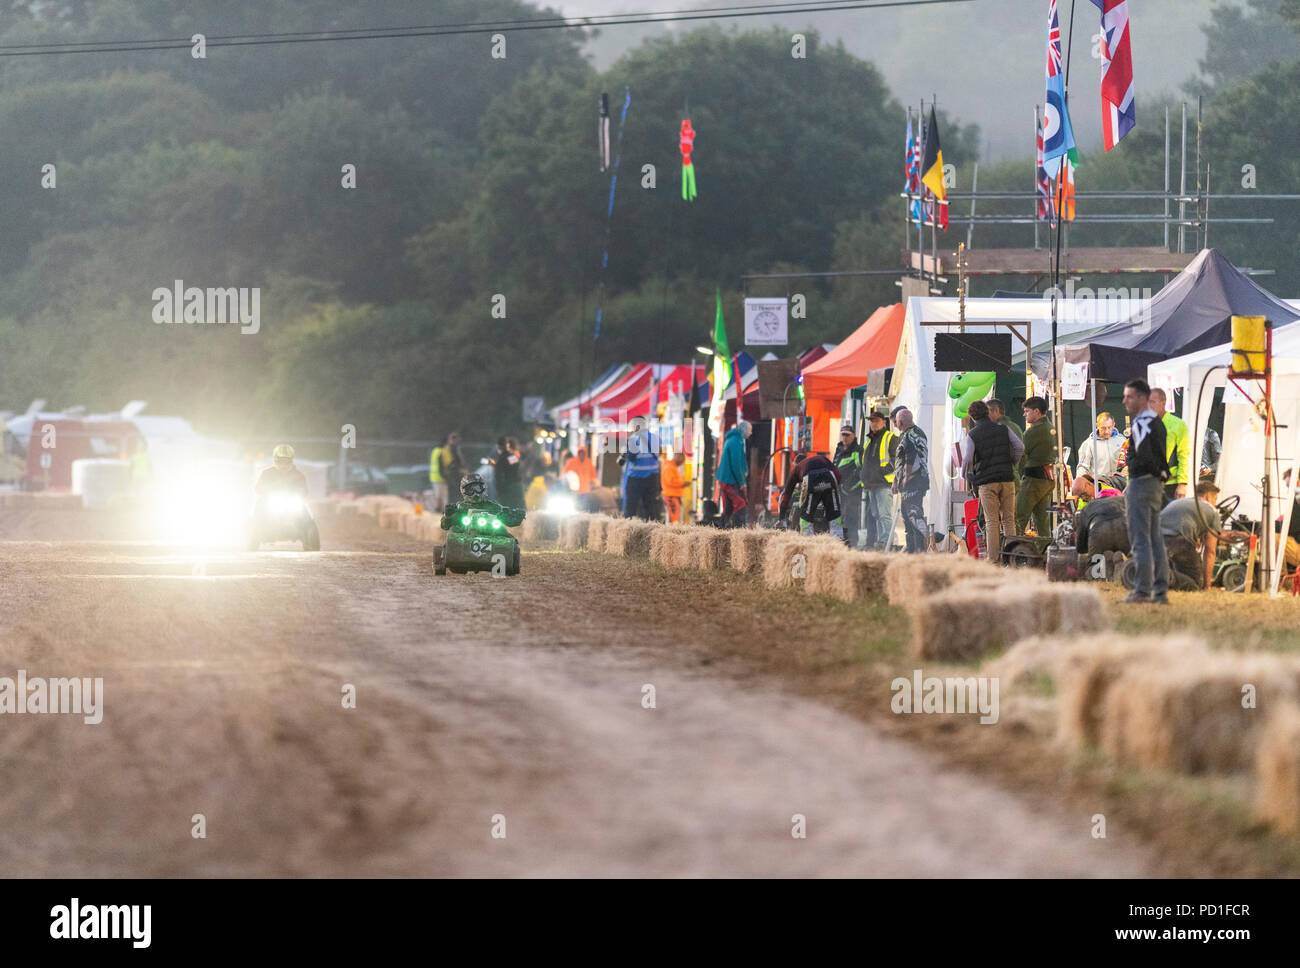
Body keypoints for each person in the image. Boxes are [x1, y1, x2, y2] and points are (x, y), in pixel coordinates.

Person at [1121, 378, 1171, 604]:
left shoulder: (1141, 423)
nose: (1124, 401)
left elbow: (1143, 456)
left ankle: (1141, 591)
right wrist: (1161, 473)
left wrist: (1135, 465)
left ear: (1142, 398)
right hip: (1155, 484)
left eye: (1129, 396)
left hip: (1141, 483)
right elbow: (1160, 457)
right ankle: (1160, 592)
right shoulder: (1157, 422)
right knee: (1155, 540)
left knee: (1140, 539)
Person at [962, 399, 1024, 564]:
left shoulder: (973, 434)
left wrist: (964, 474)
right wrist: (1012, 463)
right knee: (1009, 519)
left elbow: (967, 458)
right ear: (987, 412)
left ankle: (993, 559)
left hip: (987, 482)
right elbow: (1020, 447)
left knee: (991, 521)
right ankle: (1011, 559)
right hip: (1007, 479)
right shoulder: (1003, 429)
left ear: (972, 417)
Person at [1160, 480, 1226, 590]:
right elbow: (1210, 551)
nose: (1215, 503)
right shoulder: (1212, 511)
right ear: (1207, 496)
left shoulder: (1178, 502)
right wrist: (1206, 585)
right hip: (1179, 542)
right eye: (1215, 499)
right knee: (1194, 584)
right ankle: (1164, 575)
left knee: (1179, 572)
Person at [1015, 396, 1057, 538]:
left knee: (1019, 518)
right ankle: (1046, 552)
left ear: (1037, 411)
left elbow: (1020, 453)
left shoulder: (1034, 431)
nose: (1024, 414)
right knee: (1042, 521)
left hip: (1033, 480)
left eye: (1027, 411)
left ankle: (1015, 552)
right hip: (1048, 479)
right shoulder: (1051, 428)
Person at [892, 407, 930, 553]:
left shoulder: (911, 435)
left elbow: (911, 457)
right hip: (911, 482)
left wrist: (906, 477)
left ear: (900, 422)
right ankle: (912, 550)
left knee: (914, 515)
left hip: (913, 482)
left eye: (896, 422)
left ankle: (920, 550)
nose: (895, 424)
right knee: (907, 517)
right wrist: (897, 480)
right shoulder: (912, 433)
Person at [778, 451, 842, 534]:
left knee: (806, 518)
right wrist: (832, 491)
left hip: (811, 479)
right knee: (835, 516)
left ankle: (807, 541)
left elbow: (786, 495)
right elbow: (838, 475)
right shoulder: (822, 458)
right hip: (829, 477)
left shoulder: (797, 468)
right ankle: (838, 542)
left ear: (795, 464)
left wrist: (781, 517)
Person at [860, 410, 897, 550]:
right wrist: (864, 476)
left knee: (884, 515)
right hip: (872, 484)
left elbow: (896, 459)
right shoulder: (870, 440)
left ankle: (887, 543)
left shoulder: (890, 437)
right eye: (871, 421)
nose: (873, 423)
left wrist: (880, 472)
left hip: (884, 484)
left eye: (876, 420)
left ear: (884, 422)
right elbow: (864, 462)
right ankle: (882, 542)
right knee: (876, 515)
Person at [440, 472, 525, 531]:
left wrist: (517, 515)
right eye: (471, 490)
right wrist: (447, 516)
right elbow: (445, 526)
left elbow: (510, 522)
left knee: (505, 535)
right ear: (464, 491)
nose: (475, 494)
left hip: (491, 536)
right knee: (454, 531)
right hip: (464, 536)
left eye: (478, 489)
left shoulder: (492, 506)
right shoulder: (459, 507)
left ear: (483, 488)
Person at [1150, 388, 1190, 502]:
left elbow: (1184, 455)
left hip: (1170, 485)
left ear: (1163, 403)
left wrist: (1182, 484)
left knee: (1169, 517)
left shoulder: (1178, 425)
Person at [620, 416, 662, 521]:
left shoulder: (633, 439)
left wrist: (624, 453)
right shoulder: (656, 438)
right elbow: (659, 454)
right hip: (652, 478)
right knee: (651, 508)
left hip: (635, 478)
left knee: (630, 510)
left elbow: (631, 458)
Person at [833, 426, 864, 548]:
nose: (845, 437)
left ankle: (852, 544)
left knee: (851, 518)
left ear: (854, 436)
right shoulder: (839, 448)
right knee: (838, 518)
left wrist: (848, 486)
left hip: (852, 491)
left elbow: (860, 470)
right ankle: (841, 543)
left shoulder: (857, 450)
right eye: (843, 435)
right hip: (838, 490)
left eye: (847, 435)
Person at [716, 420, 752, 528]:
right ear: (744, 430)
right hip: (728, 479)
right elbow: (736, 464)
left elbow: (741, 462)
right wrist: (742, 482)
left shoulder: (735, 440)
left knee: (728, 506)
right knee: (740, 503)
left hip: (725, 478)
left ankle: (722, 527)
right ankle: (738, 528)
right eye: (750, 430)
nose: (751, 433)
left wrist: (744, 472)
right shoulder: (735, 442)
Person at [1076, 411, 1124, 480]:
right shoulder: (1088, 444)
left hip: (1119, 485)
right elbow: (1082, 467)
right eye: (1103, 428)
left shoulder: (1122, 441)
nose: (1107, 431)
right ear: (1097, 425)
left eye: (1109, 427)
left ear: (1113, 425)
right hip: (1099, 485)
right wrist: (1080, 484)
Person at [987, 399, 1024, 485]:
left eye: (987, 412)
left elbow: (1020, 447)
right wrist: (1014, 465)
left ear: (996, 411)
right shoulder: (1016, 427)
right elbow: (1023, 455)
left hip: (999, 478)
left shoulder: (997, 428)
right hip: (1014, 476)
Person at [491, 436, 526, 511]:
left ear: (498, 446)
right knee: (520, 511)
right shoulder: (513, 457)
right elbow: (518, 467)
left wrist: (499, 490)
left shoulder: (500, 460)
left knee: (505, 511)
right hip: (518, 487)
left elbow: (499, 477)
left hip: (507, 489)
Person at [431, 432, 465, 507]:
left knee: (439, 496)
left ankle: (441, 510)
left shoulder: (436, 450)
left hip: (439, 477)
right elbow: (447, 464)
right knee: (445, 496)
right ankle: (445, 510)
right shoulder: (445, 450)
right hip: (446, 476)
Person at [661, 452, 686, 524]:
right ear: (677, 456)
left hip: (674, 495)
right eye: (682, 459)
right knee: (673, 519)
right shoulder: (669, 467)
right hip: (671, 496)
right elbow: (670, 481)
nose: (682, 462)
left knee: (675, 518)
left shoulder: (672, 466)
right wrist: (682, 484)